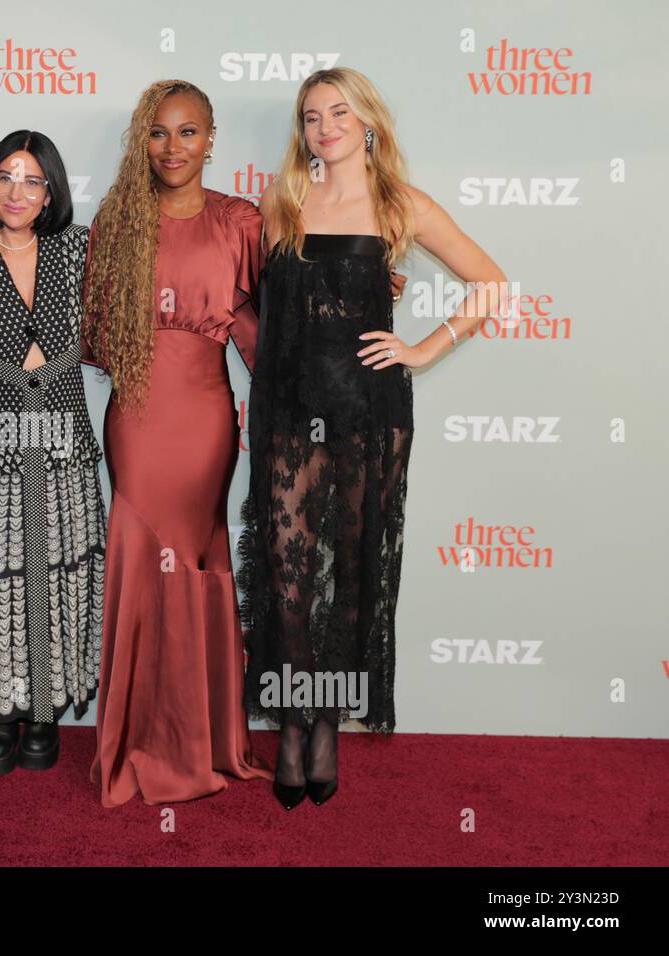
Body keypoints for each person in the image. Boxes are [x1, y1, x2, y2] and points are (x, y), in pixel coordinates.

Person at [237, 67, 507, 809]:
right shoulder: (283, 199)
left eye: (338, 113)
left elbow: (490, 281)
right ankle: (292, 723)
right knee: (290, 580)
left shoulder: (399, 206)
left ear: (368, 125)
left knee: (351, 577)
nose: (324, 127)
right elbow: (269, 307)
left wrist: (422, 347)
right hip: (291, 411)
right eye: (311, 116)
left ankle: (327, 723)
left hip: (369, 412)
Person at [80, 80, 275, 808]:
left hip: (203, 419)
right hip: (135, 417)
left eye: (188, 133)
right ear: (143, 140)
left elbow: (265, 323)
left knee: (193, 562)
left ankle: (199, 741)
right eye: (159, 133)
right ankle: (140, 742)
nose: (173, 148)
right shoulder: (118, 219)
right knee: (142, 561)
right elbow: (98, 331)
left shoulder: (240, 221)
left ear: (212, 139)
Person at [0, 130, 107, 775]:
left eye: (32, 180)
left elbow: (117, 321)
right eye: (4, 177)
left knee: (54, 571)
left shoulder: (80, 248)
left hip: (63, 439)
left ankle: (43, 711)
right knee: (1, 576)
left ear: (51, 192)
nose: (17, 191)